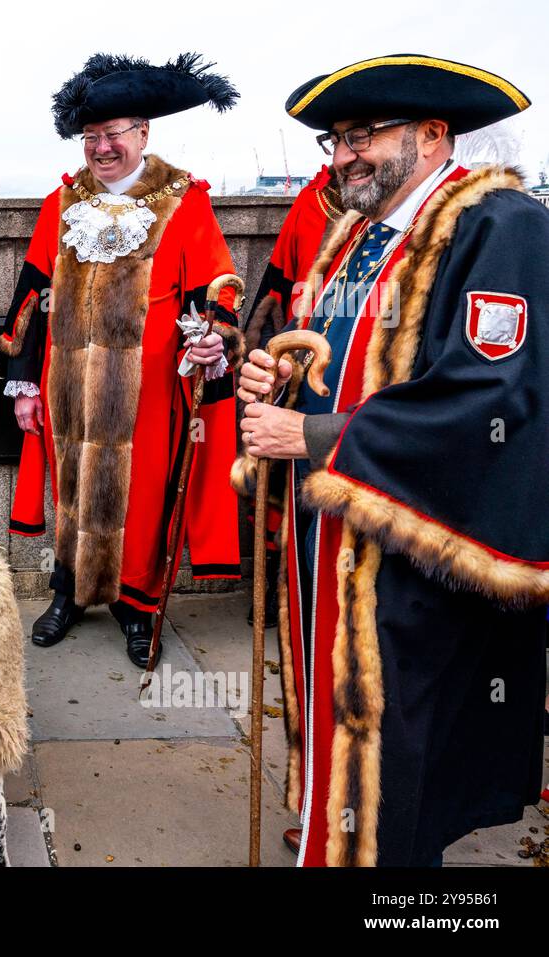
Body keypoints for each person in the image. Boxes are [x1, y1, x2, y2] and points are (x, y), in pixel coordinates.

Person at [236, 54, 548, 866]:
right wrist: (282, 374)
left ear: (434, 133)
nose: (343, 157)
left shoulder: (499, 225)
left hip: (411, 552)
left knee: (399, 763)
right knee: (348, 745)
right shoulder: (359, 236)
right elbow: (341, 361)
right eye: (336, 141)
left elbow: (488, 397)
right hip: (332, 543)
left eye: (361, 136)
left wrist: (308, 437)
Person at [0, 53, 243, 666]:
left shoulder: (183, 200)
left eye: (113, 135)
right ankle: (71, 593)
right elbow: (31, 291)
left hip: (149, 385)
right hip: (69, 384)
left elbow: (218, 284)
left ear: (143, 134)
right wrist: (24, 383)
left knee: (143, 496)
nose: (101, 148)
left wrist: (214, 335)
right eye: (91, 137)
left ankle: (140, 604)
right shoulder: (63, 202)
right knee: (74, 488)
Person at [244, 169, 345, 637]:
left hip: (362, 390)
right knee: (289, 493)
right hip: (301, 372)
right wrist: (262, 351)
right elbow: (273, 291)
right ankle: (280, 589)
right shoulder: (312, 204)